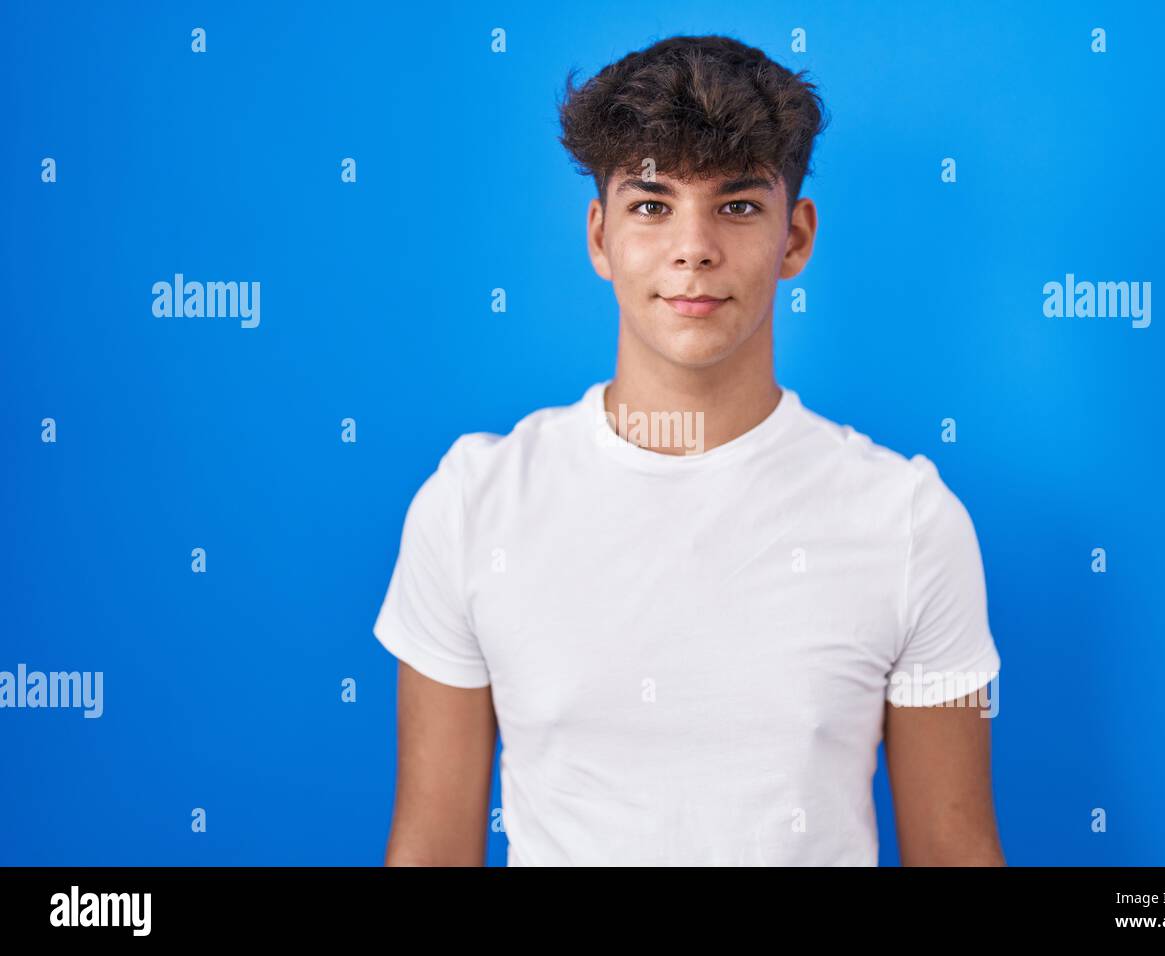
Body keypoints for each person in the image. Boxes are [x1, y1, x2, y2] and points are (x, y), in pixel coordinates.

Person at [374, 34, 1004, 866]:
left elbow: (955, 852)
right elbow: (430, 848)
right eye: (652, 204)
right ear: (599, 235)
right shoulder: (472, 505)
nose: (694, 248)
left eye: (737, 206)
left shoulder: (911, 522)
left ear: (796, 238)